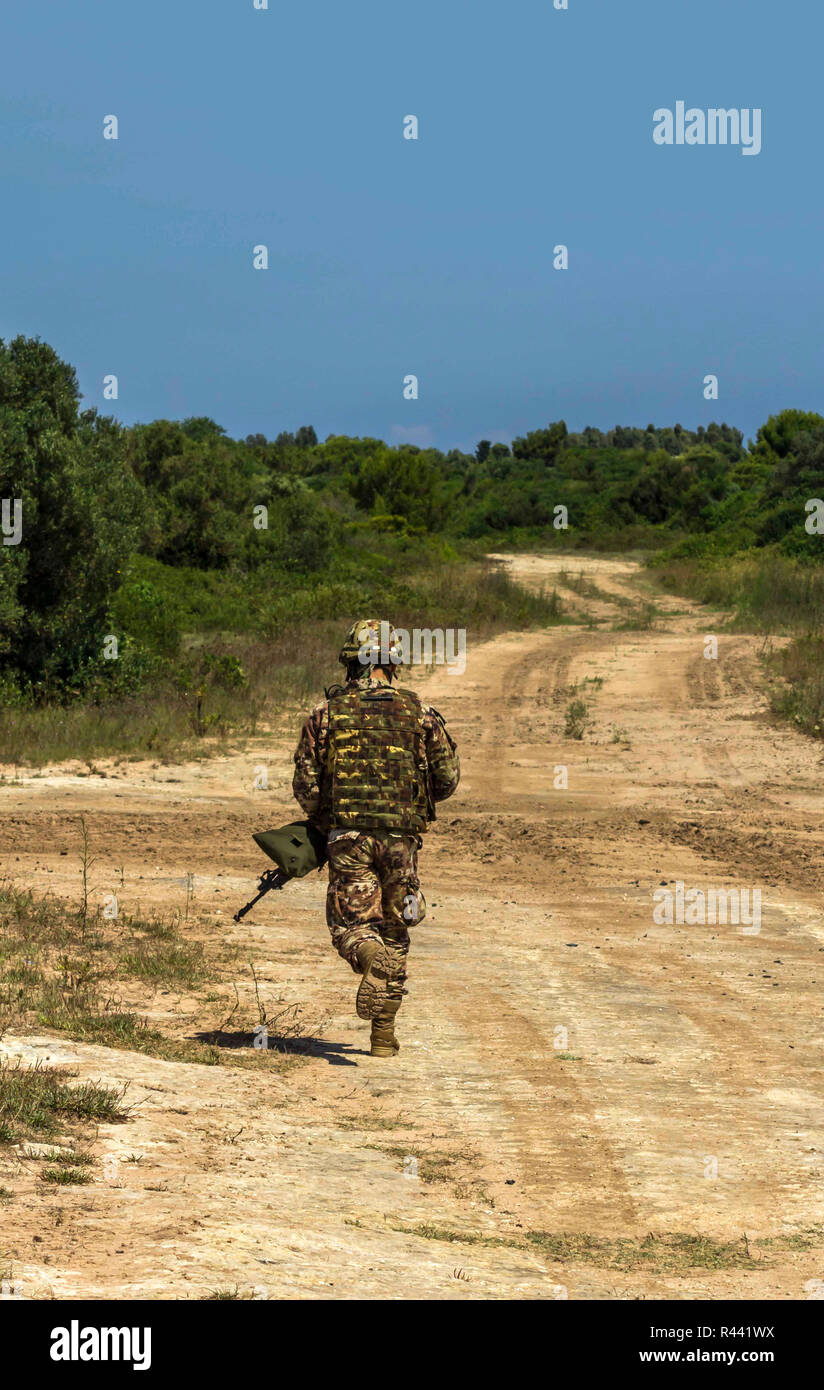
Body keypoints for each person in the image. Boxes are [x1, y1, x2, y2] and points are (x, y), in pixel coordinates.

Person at [292, 618, 460, 1057]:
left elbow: (306, 787)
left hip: (348, 837)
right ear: (393, 660)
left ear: (351, 661)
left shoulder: (326, 715)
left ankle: (368, 959)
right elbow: (446, 780)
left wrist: (323, 820)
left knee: (351, 926)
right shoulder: (420, 714)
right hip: (401, 841)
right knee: (396, 929)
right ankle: (382, 1035)